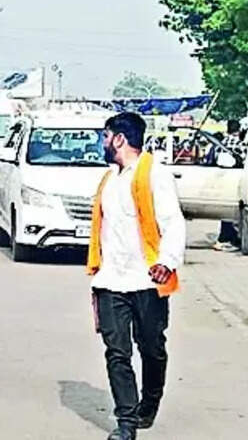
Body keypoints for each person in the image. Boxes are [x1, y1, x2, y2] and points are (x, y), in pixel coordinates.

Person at [88, 112, 186, 440]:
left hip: (147, 281)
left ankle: (150, 402)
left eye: (105, 136)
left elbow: (172, 221)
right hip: (111, 281)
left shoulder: (154, 174)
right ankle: (126, 423)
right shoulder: (108, 179)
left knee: (152, 348)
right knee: (117, 352)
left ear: (118, 139)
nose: (102, 142)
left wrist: (168, 261)